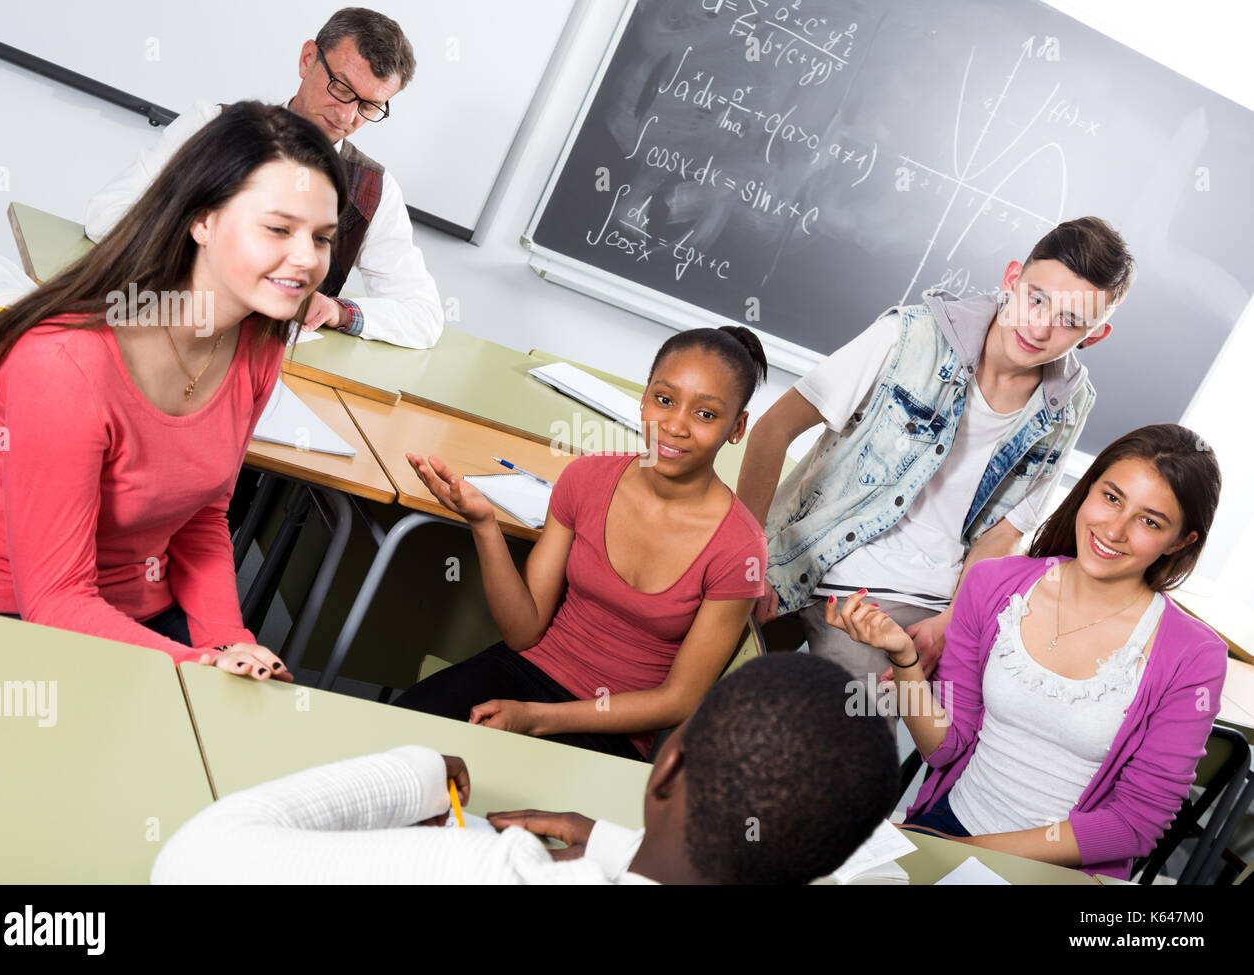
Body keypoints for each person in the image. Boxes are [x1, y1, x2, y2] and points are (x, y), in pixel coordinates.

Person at [0, 102, 347, 680]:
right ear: (202, 221)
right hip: (3, 616)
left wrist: (232, 643)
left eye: (322, 237)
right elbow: (54, 599)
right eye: (278, 228)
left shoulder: (258, 342)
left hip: (136, 613)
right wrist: (199, 664)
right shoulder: (64, 364)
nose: (307, 260)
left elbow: (203, 516)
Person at [738, 217, 1135, 713]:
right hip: (799, 553)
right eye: (1036, 298)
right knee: (695, 681)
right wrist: (745, 561)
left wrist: (952, 622)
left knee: (851, 749)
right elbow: (774, 429)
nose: (1041, 326)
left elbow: (1002, 533)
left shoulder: (1067, 406)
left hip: (913, 599)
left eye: (1071, 321)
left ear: (1094, 336)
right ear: (1012, 279)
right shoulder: (910, 335)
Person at [824, 424, 1225, 880]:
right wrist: (904, 658)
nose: (1115, 529)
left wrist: (974, 853)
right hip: (950, 826)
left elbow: (1134, 823)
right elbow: (945, 748)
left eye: (1149, 521)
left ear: (1180, 542)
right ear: (1087, 488)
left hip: (1059, 869)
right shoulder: (992, 583)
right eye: (1111, 497)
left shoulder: (1195, 656)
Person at [151, 653, 901, 884]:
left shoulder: (498, 869)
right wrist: (608, 842)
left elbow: (191, 861)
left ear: (666, 764)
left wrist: (417, 772)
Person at [390, 327, 770, 760]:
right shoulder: (586, 479)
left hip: (613, 729)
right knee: (391, 753)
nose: (676, 426)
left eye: (706, 414)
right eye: (665, 400)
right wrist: (484, 524)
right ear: (644, 398)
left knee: (497, 811)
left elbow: (677, 700)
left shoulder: (740, 548)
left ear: (736, 428)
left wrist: (537, 718)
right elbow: (522, 631)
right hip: (521, 672)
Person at [84, 7, 443, 350]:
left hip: (274, 373)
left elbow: (422, 315)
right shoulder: (210, 127)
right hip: (165, 335)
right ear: (307, 60)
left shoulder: (375, 190)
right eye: (342, 89)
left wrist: (338, 311)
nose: (348, 114)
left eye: (368, 106)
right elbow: (106, 216)